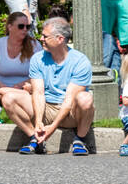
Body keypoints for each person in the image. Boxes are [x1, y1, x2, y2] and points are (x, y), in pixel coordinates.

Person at [7, 17, 93, 155]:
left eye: (45, 36)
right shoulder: (38, 58)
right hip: (46, 107)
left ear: (60, 39)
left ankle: (80, 140)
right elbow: (38, 93)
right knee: (8, 97)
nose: (41, 39)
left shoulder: (80, 61)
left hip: (71, 113)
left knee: (85, 98)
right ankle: (35, 138)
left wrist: (52, 128)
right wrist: (39, 123)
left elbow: (69, 100)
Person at [0, 10, 42, 127]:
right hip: (0, 88)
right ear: (10, 27)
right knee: (1, 92)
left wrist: (22, 85)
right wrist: (2, 86)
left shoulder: (35, 45)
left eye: (27, 26)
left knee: (4, 94)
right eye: (21, 26)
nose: (25, 29)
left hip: (26, 89)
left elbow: (41, 72)